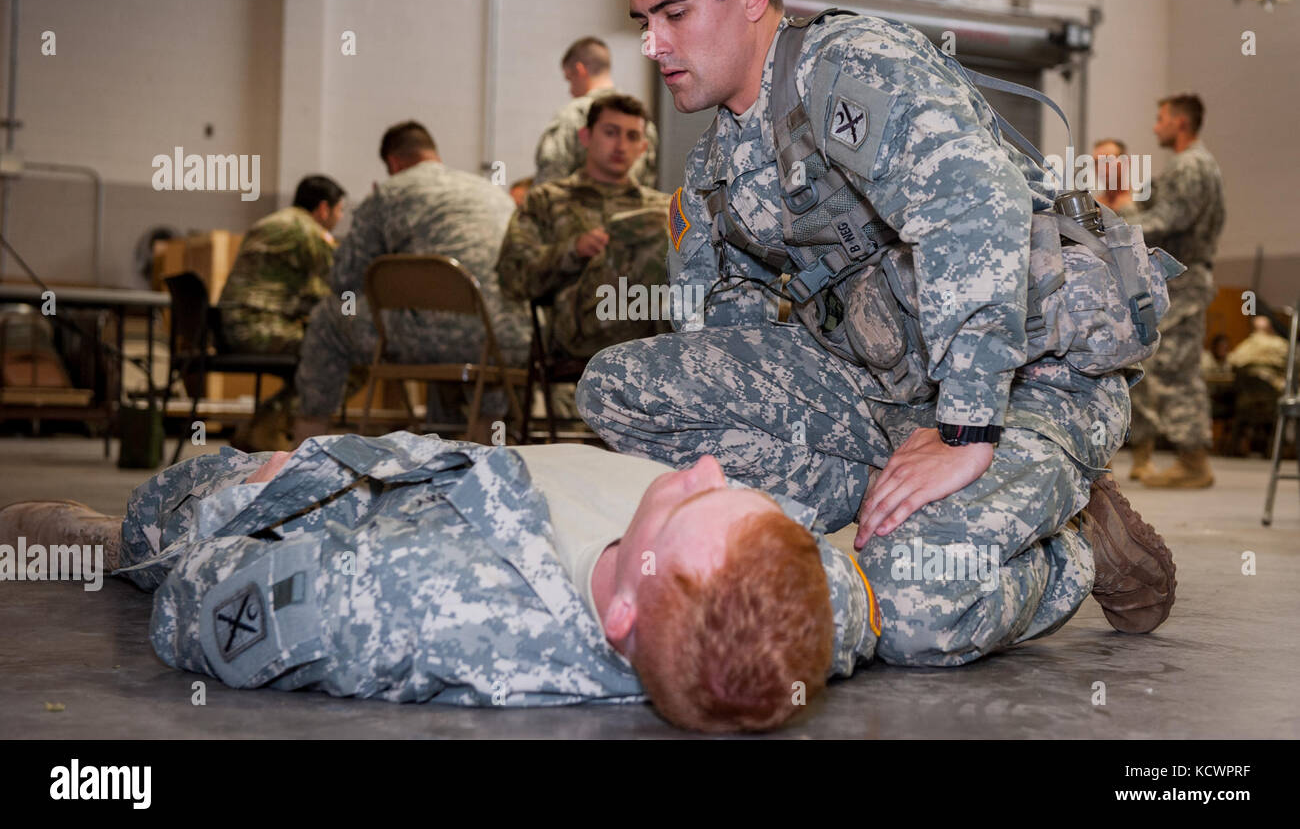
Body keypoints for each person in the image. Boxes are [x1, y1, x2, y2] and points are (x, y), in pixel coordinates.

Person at [577, 0, 1178, 648]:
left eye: (673, 14)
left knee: (911, 610)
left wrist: (964, 429)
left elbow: (976, 207)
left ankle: (1071, 543)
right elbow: (724, 352)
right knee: (618, 389)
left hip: (1030, 378)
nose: (653, 45)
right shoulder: (710, 177)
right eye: (643, 23)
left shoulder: (851, 67)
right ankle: (898, 494)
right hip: (885, 393)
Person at [0, 435, 875, 733]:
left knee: (159, 523)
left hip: (332, 496)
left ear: (618, 617)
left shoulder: (410, 606)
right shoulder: (795, 597)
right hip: (464, 462)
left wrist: (261, 494)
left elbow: (200, 613)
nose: (705, 468)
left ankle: (97, 538)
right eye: (736, 497)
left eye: (695, 502)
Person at [292, 122, 529, 444]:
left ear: (393, 163)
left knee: (327, 317)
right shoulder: (492, 192)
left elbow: (344, 278)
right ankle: (486, 440)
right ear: (433, 153)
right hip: (507, 339)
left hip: (429, 337)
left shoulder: (390, 192)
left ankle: (305, 444)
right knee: (483, 334)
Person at [498, 93, 671, 360]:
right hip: (582, 327)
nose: (621, 145)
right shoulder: (547, 200)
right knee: (658, 232)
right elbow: (512, 276)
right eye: (611, 132)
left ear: (643, 148)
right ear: (585, 137)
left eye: (632, 136)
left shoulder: (662, 205)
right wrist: (573, 250)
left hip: (658, 320)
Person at [1127, 95, 1225, 488]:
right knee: (1175, 367)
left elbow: (1171, 219)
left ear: (1180, 123)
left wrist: (1121, 227)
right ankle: (1192, 457)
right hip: (1183, 277)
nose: (1156, 127)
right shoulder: (1192, 165)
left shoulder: (1190, 165)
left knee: (1175, 369)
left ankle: (1194, 460)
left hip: (1184, 279)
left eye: (1161, 119)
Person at [217, 175, 346, 450]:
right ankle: (266, 428)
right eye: (340, 210)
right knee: (345, 356)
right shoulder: (310, 232)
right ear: (324, 209)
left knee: (313, 359)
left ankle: (259, 427)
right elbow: (336, 287)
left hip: (231, 328)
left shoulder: (272, 222)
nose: (340, 217)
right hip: (261, 330)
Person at [534, 37, 659, 188]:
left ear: (580, 70)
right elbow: (647, 183)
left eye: (569, 80)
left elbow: (549, 183)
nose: (570, 90)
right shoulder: (641, 123)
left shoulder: (571, 116)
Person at [1091, 137, 1141, 218]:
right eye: (1096, 162)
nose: (1100, 167)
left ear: (1126, 162)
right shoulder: (1093, 206)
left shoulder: (1142, 203)